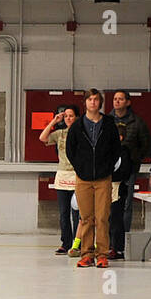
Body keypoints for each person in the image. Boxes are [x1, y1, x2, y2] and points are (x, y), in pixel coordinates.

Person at [65, 88, 121, 269]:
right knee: (86, 217)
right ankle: (87, 254)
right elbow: (70, 150)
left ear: (100, 103)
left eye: (96, 99)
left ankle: (102, 254)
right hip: (83, 178)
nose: (93, 102)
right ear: (85, 103)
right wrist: (80, 168)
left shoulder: (109, 124)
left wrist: (107, 167)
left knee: (102, 217)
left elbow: (116, 149)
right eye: (90, 99)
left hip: (103, 178)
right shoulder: (77, 126)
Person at [108, 90, 151, 261]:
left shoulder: (137, 122)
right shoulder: (107, 120)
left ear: (128, 102)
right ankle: (110, 243)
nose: (117, 102)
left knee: (125, 205)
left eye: (121, 99)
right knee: (109, 207)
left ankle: (122, 242)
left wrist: (134, 158)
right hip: (109, 171)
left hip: (129, 169)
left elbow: (146, 144)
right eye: (115, 99)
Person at [40, 106, 80, 256]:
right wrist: (54, 121)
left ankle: (78, 243)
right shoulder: (59, 134)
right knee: (63, 212)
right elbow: (42, 138)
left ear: (76, 117)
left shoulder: (81, 133)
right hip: (63, 175)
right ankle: (65, 242)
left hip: (77, 175)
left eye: (71, 116)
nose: (68, 118)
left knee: (77, 213)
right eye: (66, 116)